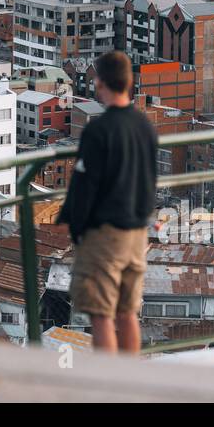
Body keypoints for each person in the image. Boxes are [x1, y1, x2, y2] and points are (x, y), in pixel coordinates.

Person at [57, 50, 158, 353]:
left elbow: (84, 187)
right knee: (127, 313)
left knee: (101, 315)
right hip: (137, 231)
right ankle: (129, 383)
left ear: (100, 83)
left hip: (105, 233)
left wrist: (75, 228)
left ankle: (108, 388)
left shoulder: (98, 130)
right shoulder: (145, 126)